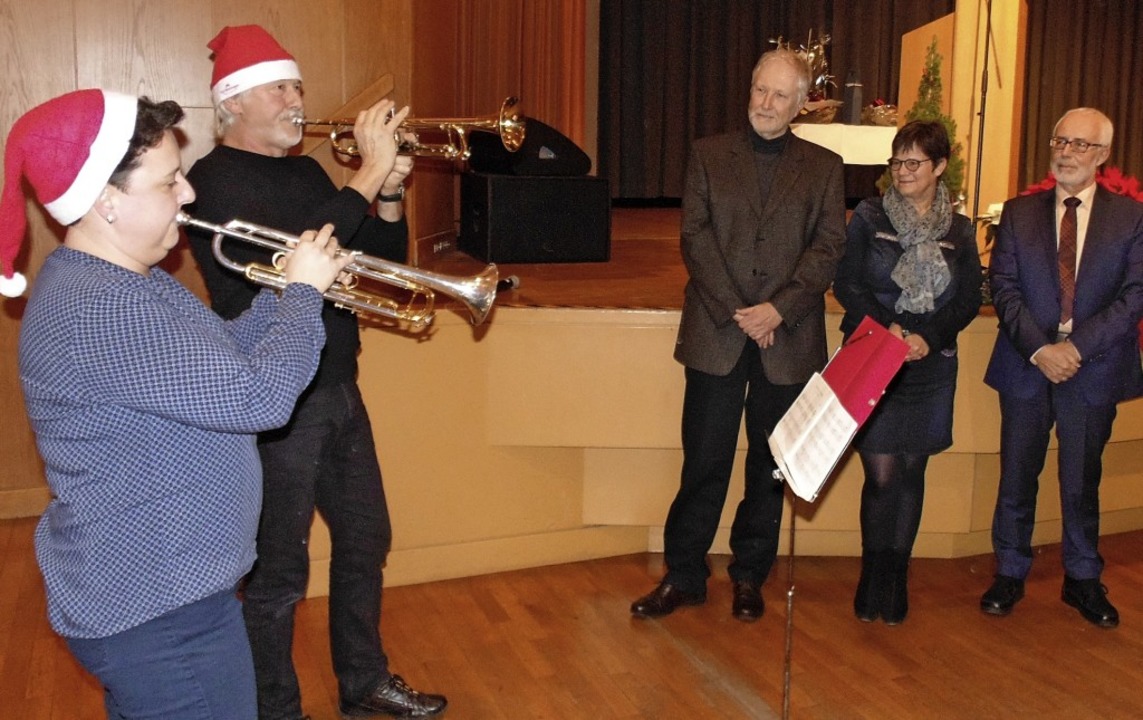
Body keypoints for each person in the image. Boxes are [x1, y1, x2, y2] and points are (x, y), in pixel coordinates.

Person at [0, 89, 350, 719]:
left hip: (161, 597)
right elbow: (259, 398)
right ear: (106, 201)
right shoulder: (103, 308)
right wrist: (300, 298)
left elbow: (220, 356)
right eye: (170, 182)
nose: (188, 195)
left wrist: (288, 293)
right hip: (159, 611)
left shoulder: (128, 280)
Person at [184, 25, 446, 719]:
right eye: (280, 87)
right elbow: (301, 253)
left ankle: (363, 682)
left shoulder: (303, 173)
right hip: (276, 401)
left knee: (366, 539)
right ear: (234, 101)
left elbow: (374, 254)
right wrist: (362, 175)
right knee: (278, 574)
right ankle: (275, 709)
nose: (297, 99)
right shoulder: (211, 182)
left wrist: (386, 190)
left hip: (336, 386)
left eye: (297, 84)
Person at [631, 48, 846, 622]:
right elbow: (694, 238)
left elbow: (828, 248)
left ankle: (749, 576)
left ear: (801, 104)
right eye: (759, 91)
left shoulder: (824, 167)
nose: (766, 104)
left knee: (768, 470)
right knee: (702, 462)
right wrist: (741, 311)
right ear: (748, 91)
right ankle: (684, 575)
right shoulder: (706, 155)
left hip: (789, 339)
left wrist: (778, 309)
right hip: (716, 333)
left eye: (780, 95)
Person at [980, 107, 1143, 629]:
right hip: (1027, 364)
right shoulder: (1018, 213)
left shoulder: (1131, 217)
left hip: (1092, 368)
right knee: (1016, 475)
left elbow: (1134, 294)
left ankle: (1082, 579)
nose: (1067, 152)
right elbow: (1002, 287)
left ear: (1102, 155)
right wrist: (1041, 349)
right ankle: (1009, 570)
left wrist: (1076, 348)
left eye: (1080, 145)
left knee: (1081, 479)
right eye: (1060, 141)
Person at [832, 120, 982, 625]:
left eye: (914, 163)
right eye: (897, 162)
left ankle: (897, 578)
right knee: (881, 475)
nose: (902, 171)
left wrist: (927, 337)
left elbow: (966, 299)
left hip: (930, 365)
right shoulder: (869, 217)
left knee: (914, 471)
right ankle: (872, 574)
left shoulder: (960, 230)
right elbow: (847, 284)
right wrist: (888, 331)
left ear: (939, 168)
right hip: (876, 356)